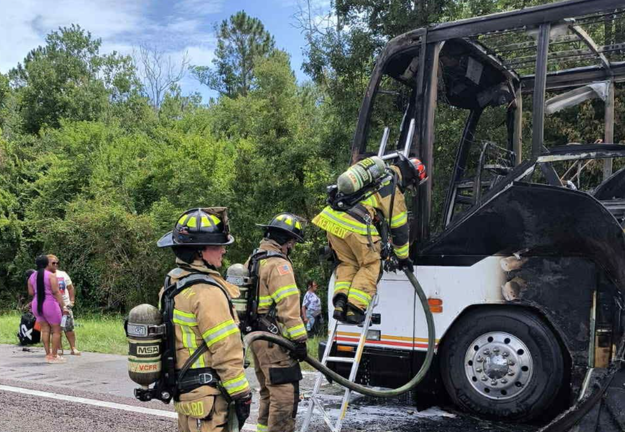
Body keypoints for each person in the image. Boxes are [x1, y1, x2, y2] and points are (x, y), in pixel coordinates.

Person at [157, 207, 251, 432]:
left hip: (188, 395)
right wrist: (241, 395)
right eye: (217, 245)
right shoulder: (207, 292)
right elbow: (225, 349)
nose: (223, 251)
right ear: (199, 251)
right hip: (208, 397)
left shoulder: (173, 284)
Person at [312, 155, 427, 324]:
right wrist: (403, 258)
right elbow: (400, 231)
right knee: (371, 264)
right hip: (356, 225)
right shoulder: (393, 189)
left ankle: (340, 302)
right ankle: (355, 309)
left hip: (332, 220)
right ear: (411, 177)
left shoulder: (375, 176)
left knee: (348, 263)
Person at [245, 213, 308, 432]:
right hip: (274, 342)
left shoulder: (253, 260)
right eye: (293, 243)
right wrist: (299, 340)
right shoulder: (278, 265)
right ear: (288, 241)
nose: (292, 247)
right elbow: (288, 307)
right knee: (283, 397)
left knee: (267, 393)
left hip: (257, 340)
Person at [27, 254, 68, 364]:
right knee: (56, 330)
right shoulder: (51, 276)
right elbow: (56, 292)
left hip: (36, 304)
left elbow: (31, 292)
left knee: (45, 330)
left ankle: (48, 354)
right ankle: (54, 355)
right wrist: (63, 306)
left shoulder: (32, 276)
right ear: (47, 263)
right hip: (50, 304)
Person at [46, 255, 80, 356]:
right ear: (47, 264)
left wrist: (72, 301)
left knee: (69, 327)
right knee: (55, 329)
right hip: (52, 305)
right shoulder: (45, 275)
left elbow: (70, 288)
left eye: (57, 262)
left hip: (65, 304)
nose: (56, 265)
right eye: (53, 263)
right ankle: (59, 348)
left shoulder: (63, 274)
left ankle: (73, 348)